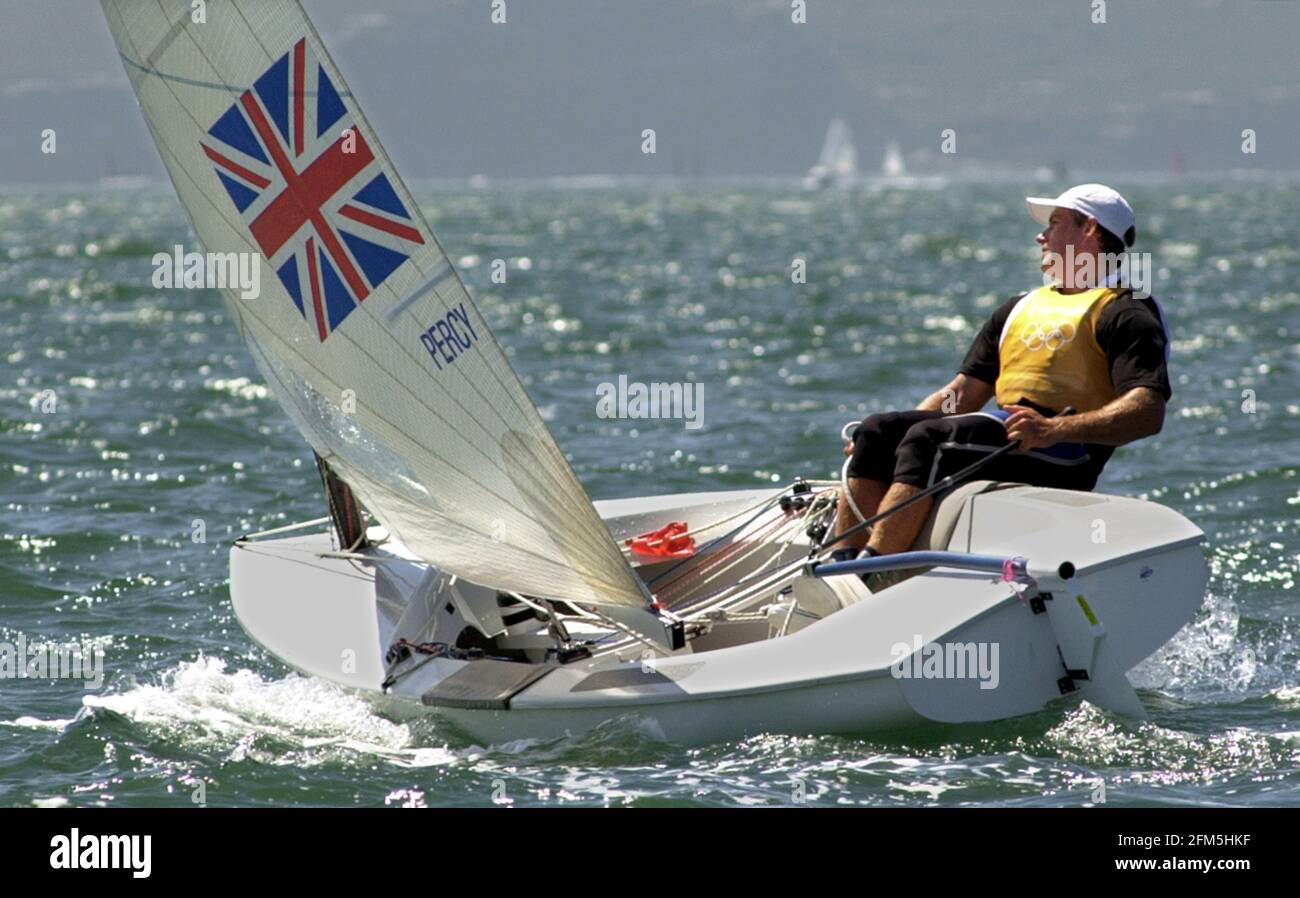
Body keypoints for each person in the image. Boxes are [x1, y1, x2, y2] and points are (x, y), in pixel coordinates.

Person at [831, 184, 1171, 563]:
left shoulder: (1127, 312)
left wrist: (1051, 430)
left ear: (1088, 229)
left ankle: (870, 571)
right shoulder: (1019, 307)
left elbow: (1147, 410)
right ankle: (840, 559)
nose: (1040, 236)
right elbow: (962, 392)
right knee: (878, 430)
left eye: (1055, 224)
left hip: (1064, 454)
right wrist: (894, 435)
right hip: (1004, 432)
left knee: (929, 439)